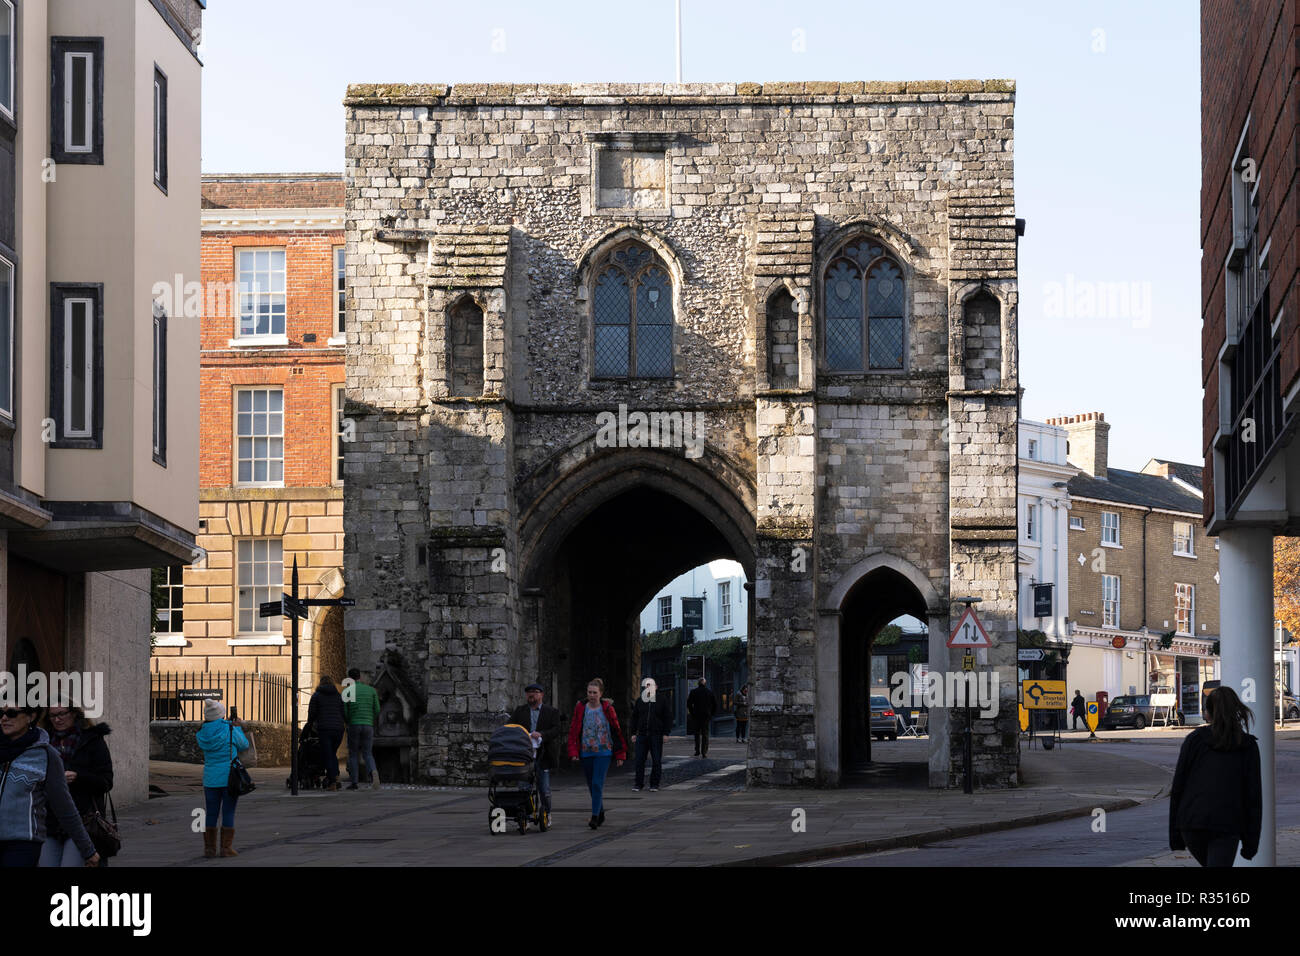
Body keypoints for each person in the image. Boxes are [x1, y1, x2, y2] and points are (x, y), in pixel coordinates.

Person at [1169, 686, 1262, 867]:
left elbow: (1178, 786)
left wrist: (1176, 835)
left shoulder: (1194, 740)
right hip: (1226, 824)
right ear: (1236, 710)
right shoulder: (1247, 746)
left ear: (1209, 713)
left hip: (1192, 823)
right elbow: (1253, 796)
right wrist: (1251, 843)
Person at [0, 706, 99, 868]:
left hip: (22, 844)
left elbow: (64, 806)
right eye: (1, 714)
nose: (4, 718)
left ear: (30, 717)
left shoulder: (45, 755)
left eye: (11, 713)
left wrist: (87, 849)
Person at [39, 703, 113, 867]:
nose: (57, 719)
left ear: (73, 713)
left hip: (83, 821)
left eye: (62, 714)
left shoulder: (92, 740)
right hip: (49, 822)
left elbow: (106, 781)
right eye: (52, 716)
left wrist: (79, 777)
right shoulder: (42, 743)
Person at [566, 680, 626, 829]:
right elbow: (574, 730)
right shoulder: (581, 708)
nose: (591, 695)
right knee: (591, 785)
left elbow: (616, 731)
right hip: (586, 751)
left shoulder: (607, 709)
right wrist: (573, 752)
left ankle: (594, 816)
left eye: (594, 692)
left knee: (597, 783)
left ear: (601, 694)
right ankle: (601, 811)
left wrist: (620, 754)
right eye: (589, 692)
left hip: (604, 751)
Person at [196, 699, 250, 858]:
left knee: (211, 813)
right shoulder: (230, 729)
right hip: (229, 777)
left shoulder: (201, 732)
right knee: (228, 811)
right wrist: (238, 728)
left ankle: (209, 849)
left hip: (210, 778)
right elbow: (244, 745)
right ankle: (226, 848)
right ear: (221, 714)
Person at [507, 683, 560, 822]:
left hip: (544, 754)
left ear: (541, 694)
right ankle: (527, 815)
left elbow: (556, 730)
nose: (532, 694)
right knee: (524, 788)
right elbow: (509, 726)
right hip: (524, 755)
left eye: (535, 692)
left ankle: (546, 814)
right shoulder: (520, 711)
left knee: (544, 789)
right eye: (529, 692)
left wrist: (542, 734)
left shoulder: (551, 712)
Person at [629, 677, 672, 792]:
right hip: (642, 735)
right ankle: (638, 784)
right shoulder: (640, 700)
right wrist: (633, 733)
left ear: (656, 687)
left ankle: (654, 784)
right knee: (639, 761)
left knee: (656, 761)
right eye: (646, 685)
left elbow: (667, 717)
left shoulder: (662, 700)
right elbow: (634, 717)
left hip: (656, 735)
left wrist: (666, 733)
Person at [307, 675, 347, 791]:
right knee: (332, 754)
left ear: (321, 683)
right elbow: (343, 712)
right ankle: (336, 777)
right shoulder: (338, 696)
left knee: (328, 755)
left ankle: (333, 782)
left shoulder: (317, 696)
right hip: (338, 729)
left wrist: (310, 725)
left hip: (325, 729)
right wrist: (345, 723)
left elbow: (312, 713)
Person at [344, 668, 380, 790]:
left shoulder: (348, 691)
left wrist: (349, 720)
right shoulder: (371, 690)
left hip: (354, 724)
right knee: (368, 753)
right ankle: (374, 773)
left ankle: (354, 782)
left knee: (353, 753)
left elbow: (345, 711)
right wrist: (370, 719)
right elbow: (377, 709)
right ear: (360, 677)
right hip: (368, 724)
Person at [687, 677, 717, 757]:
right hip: (706, 716)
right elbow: (715, 705)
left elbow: (689, 704)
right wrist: (711, 714)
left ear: (698, 683)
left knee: (696, 733)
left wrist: (692, 713)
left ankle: (697, 750)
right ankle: (704, 752)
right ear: (705, 683)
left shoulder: (693, 692)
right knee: (705, 734)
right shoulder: (709, 692)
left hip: (696, 715)